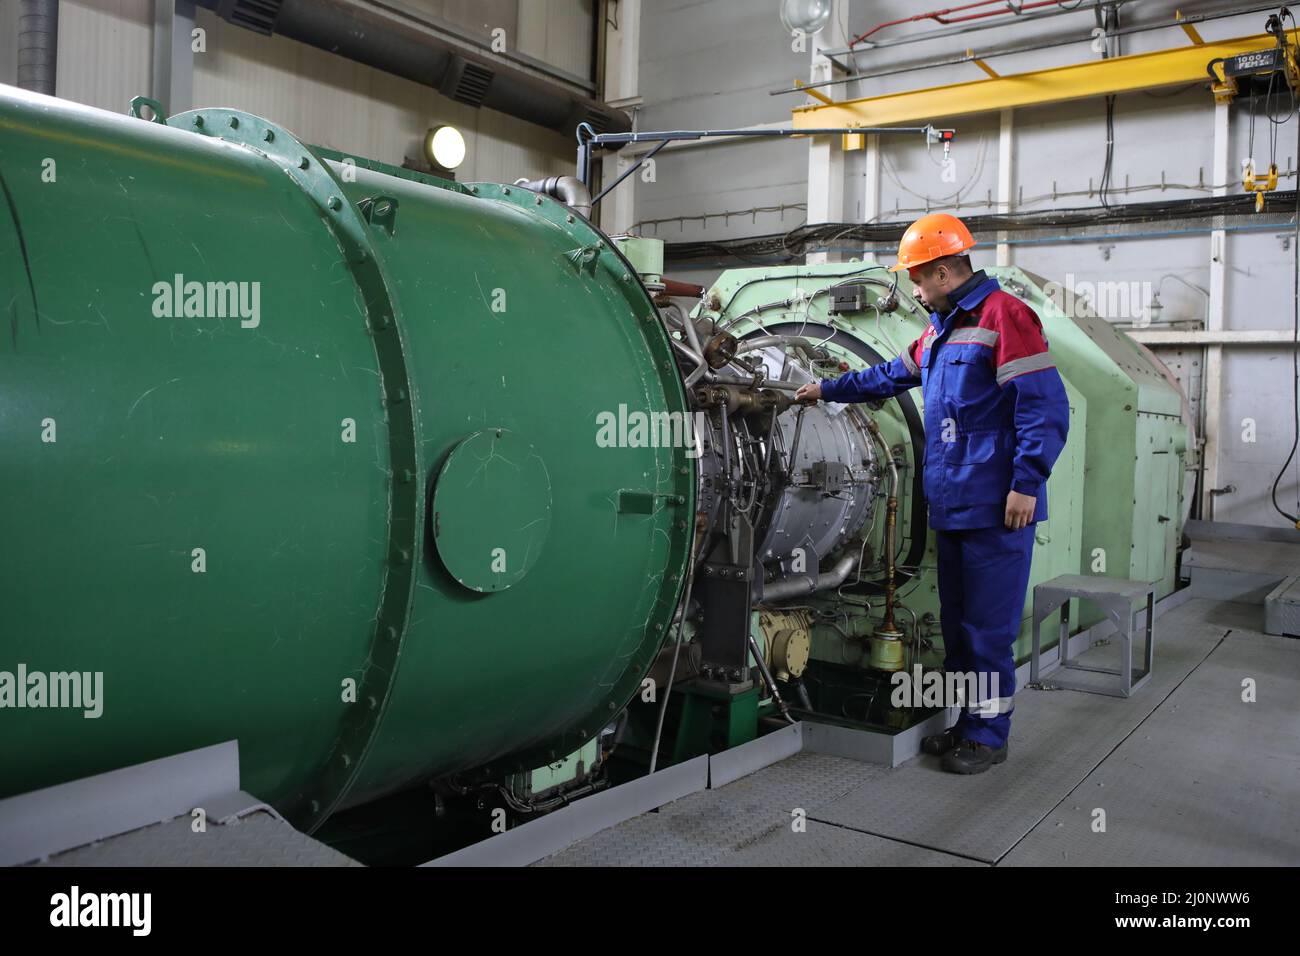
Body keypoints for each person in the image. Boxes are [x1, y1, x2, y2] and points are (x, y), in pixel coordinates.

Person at [794, 212, 1070, 774]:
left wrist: (1026, 484)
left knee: (988, 631)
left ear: (945, 271)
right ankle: (967, 724)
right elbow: (889, 376)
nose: (915, 291)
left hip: (999, 509)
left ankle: (989, 737)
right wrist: (826, 388)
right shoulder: (941, 330)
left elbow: (1044, 407)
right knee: (960, 629)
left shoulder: (1005, 317)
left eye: (919, 279)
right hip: (953, 504)